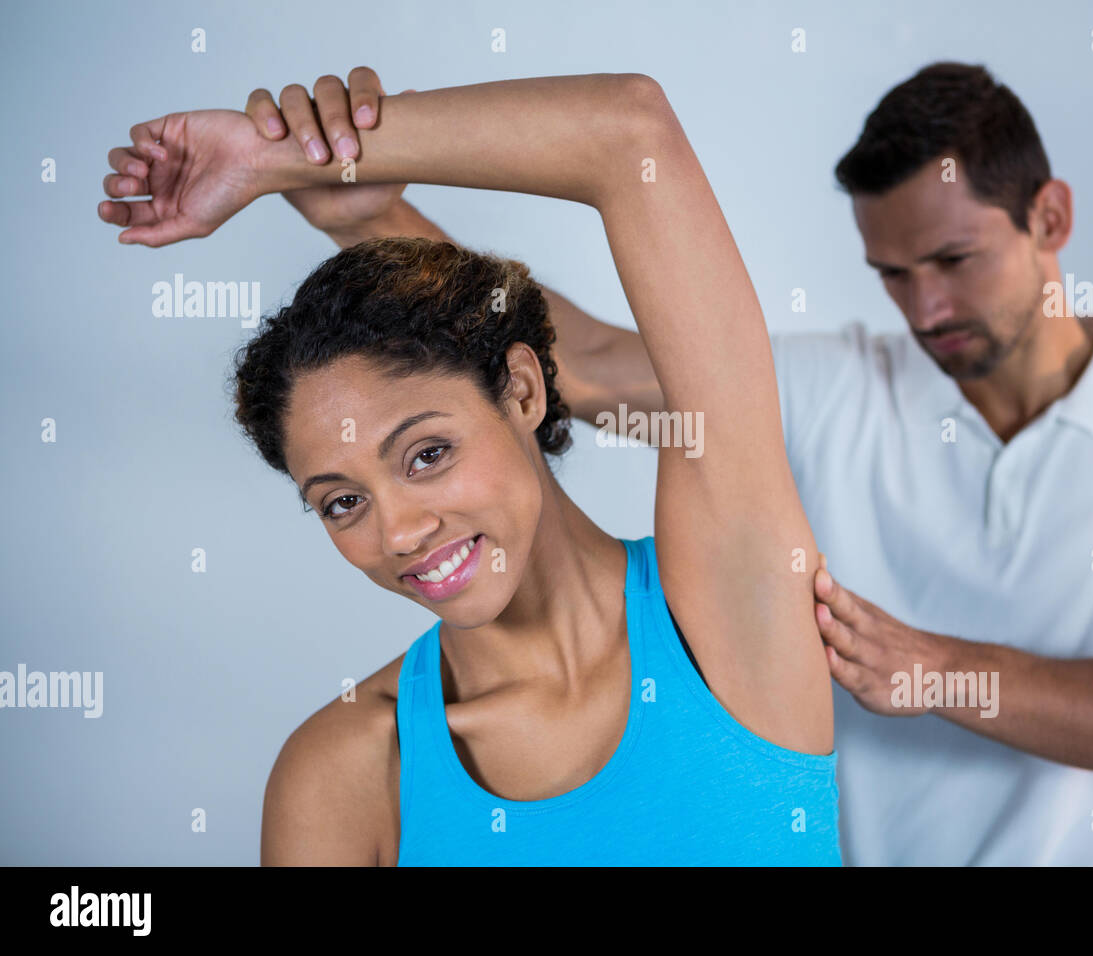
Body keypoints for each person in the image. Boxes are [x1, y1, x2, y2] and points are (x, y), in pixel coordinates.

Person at [246, 62, 1093, 865]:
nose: (924, 306)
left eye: (953, 261)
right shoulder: (836, 389)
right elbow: (583, 363)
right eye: (892, 272)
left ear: (1049, 218)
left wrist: (938, 672)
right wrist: (365, 211)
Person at [97, 72, 841, 865]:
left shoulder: (723, 610)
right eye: (343, 502)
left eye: (427, 454)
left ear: (521, 390)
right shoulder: (345, 771)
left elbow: (630, 132)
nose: (399, 533)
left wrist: (281, 156)